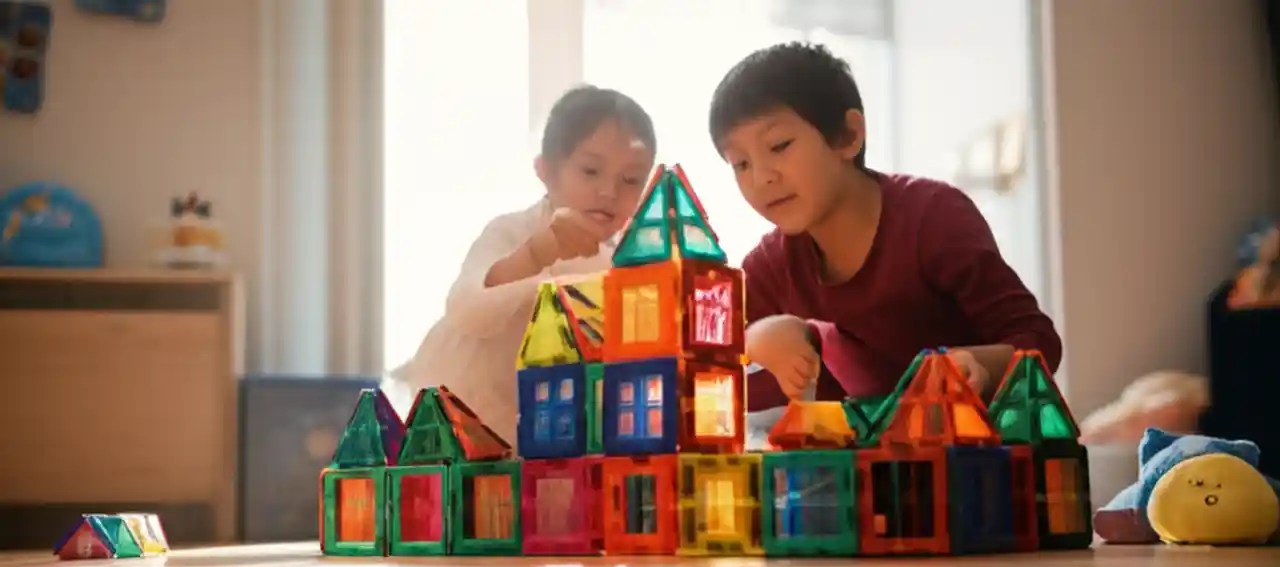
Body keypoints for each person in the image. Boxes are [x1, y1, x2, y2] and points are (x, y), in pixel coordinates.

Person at [707, 41, 1062, 422]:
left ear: (848, 135)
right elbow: (706, 363)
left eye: (779, 145)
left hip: (977, 455)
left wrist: (980, 364)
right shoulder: (771, 264)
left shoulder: (932, 219)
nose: (761, 178)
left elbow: (1038, 341)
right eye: (740, 163)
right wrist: (757, 339)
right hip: (863, 469)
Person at [387, 85, 657, 443]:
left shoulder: (623, 264)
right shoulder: (511, 231)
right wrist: (537, 256)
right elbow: (467, 309)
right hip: (454, 415)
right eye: (591, 171)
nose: (609, 191)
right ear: (544, 170)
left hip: (542, 432)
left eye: (630, 180)